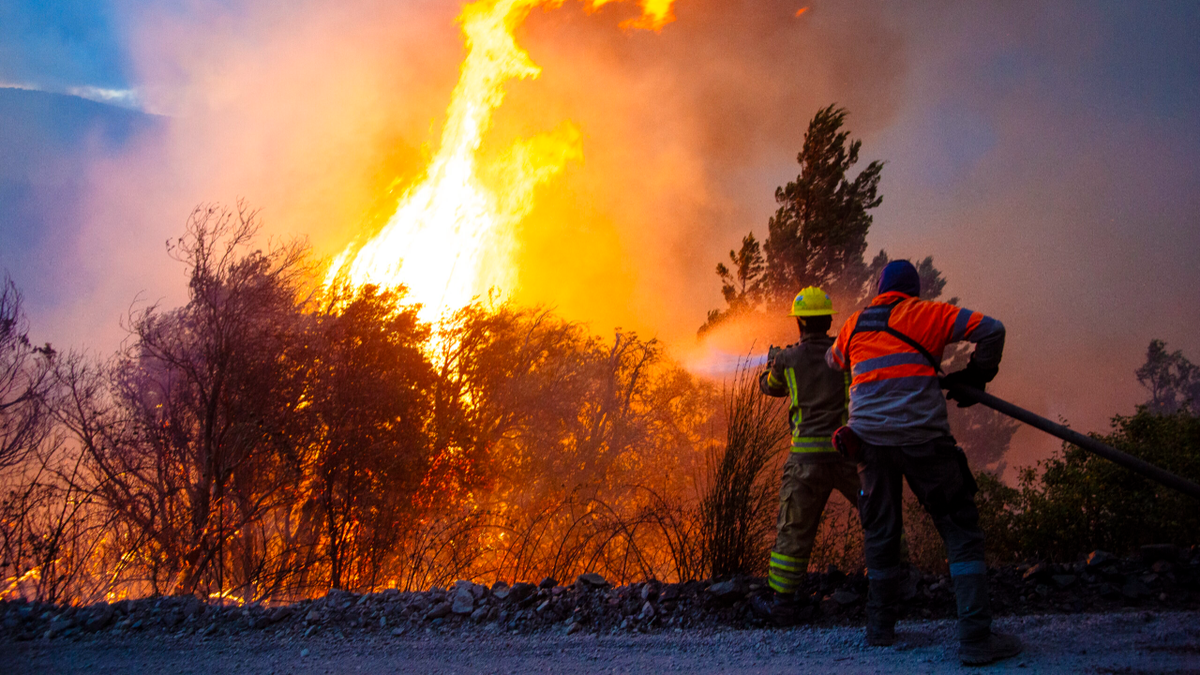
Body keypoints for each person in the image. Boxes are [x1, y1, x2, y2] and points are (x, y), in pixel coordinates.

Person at [825, 260, 1022, 666]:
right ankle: (976, 637)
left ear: (879, 290)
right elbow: (992, 330)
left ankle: (880, 628)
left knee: (881, 532)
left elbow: (833, 361)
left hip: (869, 444)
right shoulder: (930, 313)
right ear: (914, 290)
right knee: (960, 529)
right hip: (924, 441)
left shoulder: (855, 324)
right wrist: (976, 376)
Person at [754, 286, 860, 625]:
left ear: (799, 322)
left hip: (804, 464)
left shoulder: (787, 359)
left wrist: (772, 362)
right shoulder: (844, 354)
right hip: (846, 455)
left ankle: (782, 604)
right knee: (879, 512)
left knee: (794, 530)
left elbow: (771, 387)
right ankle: (898, 583)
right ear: (828, 321)